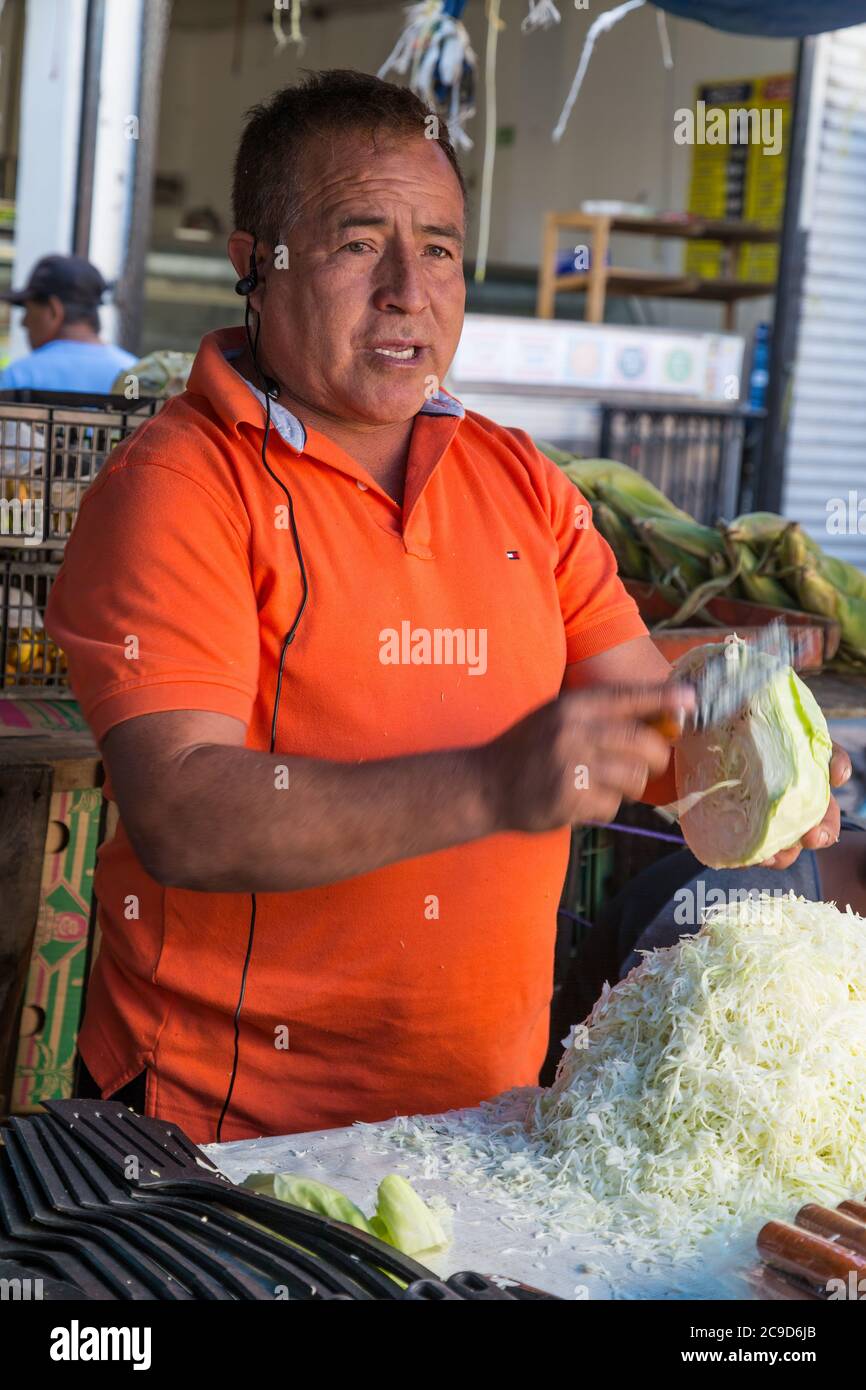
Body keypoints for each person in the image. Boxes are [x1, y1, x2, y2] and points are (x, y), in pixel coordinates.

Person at [44, 71, 849, 1145]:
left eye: (437, 249)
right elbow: (182, 811)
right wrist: (490, 781)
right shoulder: (177, 486)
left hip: (484, 1127)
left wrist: (747, 750)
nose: (405, 289)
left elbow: (638, 716)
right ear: (253, 266)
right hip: (227, 1140)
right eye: (355, 241)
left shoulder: (516, 480)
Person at [0, 254, 136, 393]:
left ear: (54, 310)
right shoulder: (133, 375)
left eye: (28, 310)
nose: (23, 322)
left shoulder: (17, 377)